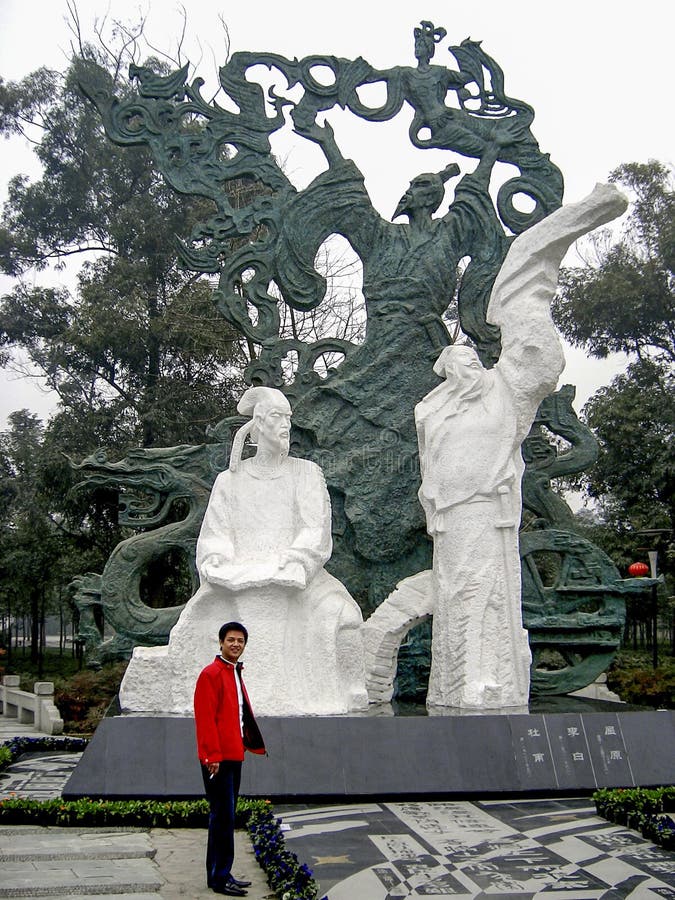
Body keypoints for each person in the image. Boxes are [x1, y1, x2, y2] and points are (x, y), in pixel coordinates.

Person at [415, 183, 628, 709]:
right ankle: (458, 682)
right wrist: (434, 509)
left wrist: (521, 300)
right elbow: (429, 469)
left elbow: (538, 360)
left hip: (487, 512)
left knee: (484, 593)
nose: (468, 367)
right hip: (452, 516)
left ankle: (482, 681)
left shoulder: (501, 394)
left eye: (472, 360)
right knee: (458, 594)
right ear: (445, 375)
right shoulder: (432, 414)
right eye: (457, 364)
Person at [164, 385, 367, 716]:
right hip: (239, 578)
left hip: (299, 578)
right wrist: (217, 562)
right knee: (207, 622)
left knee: (341, 614)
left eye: (288, 417)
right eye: (277, 417)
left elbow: (314, 529)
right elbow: (215, 535)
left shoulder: (306, 473)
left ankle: (338, 691)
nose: (285, 424)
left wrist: (296, 562)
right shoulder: (230, 481)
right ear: (258, 424)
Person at [194, 621, 265, 896]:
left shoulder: (233, 671)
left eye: (240, 641)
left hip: (234, 755)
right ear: (221, 642)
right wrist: (211, 756)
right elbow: (205, 718)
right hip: (218, 759)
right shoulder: (211, 674)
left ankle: (221, 873)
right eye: (231, 640)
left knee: (225, 817)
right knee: (222, 817)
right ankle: (220, 878)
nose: (236, 644)